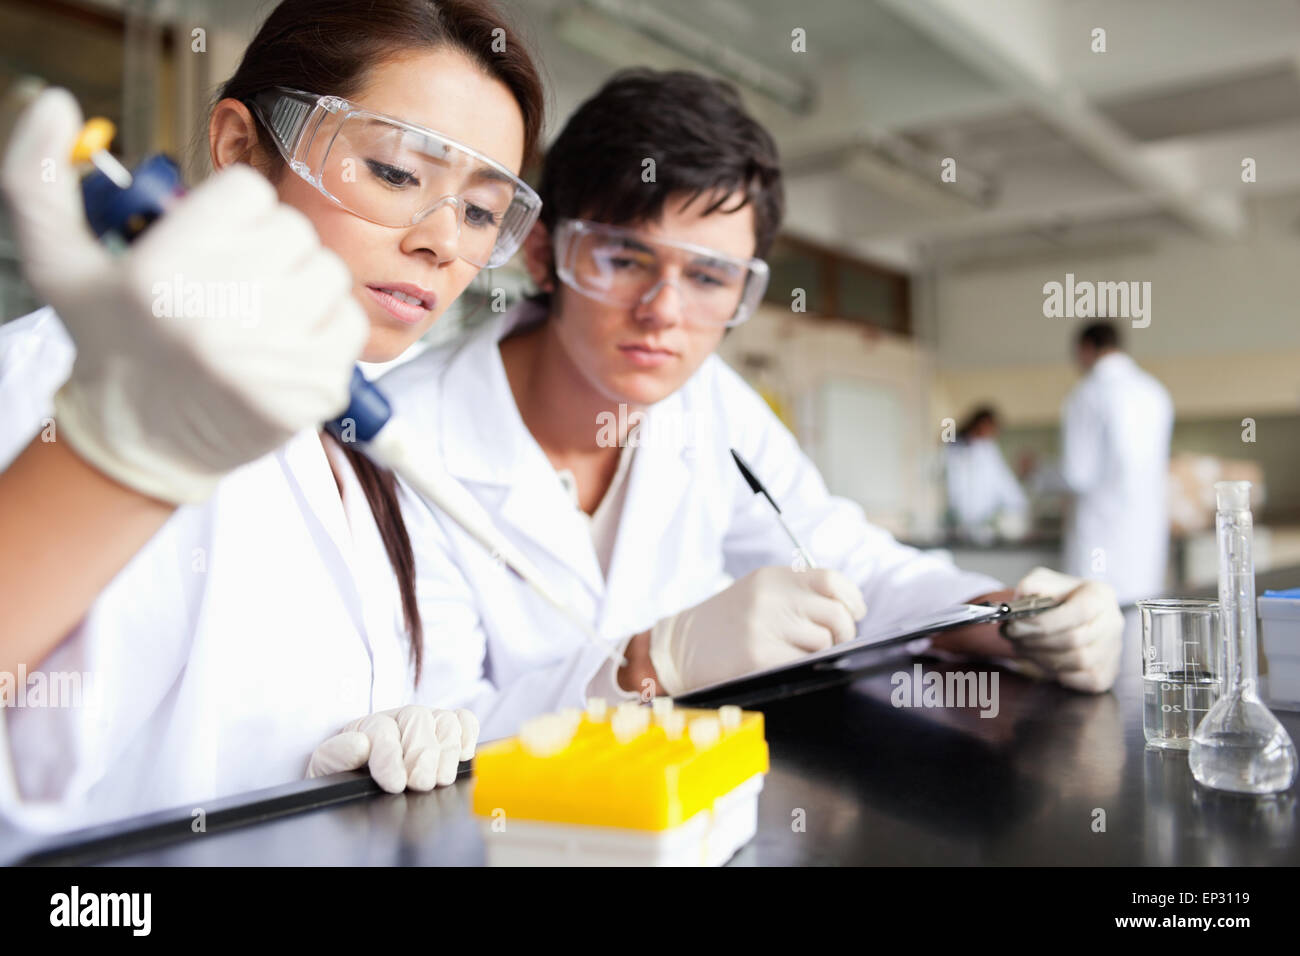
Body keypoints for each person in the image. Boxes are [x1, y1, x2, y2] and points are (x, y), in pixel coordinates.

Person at [382, 69, 1126, 744]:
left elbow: (851, 566)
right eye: (624, 258)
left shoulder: (706, 401)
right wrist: (655, 664)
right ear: (546, 254)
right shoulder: (400, 437)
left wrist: (1013, 618)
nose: (663, 312)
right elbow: (433, 737)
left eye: (710, 277)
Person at [0, 0, 543, 830]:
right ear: (240, 149)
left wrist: (356, 758)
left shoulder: (353, 432)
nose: (441, 242)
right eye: (398, 173)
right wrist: (101, 464)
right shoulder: (65, 379)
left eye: (479, 212)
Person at [1059, 321, 1174, 604]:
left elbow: (1076, 474)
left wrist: (1039, 474)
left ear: (1087, 349)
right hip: (1145, 533)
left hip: (1101, 532)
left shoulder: (1087, 394)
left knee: (1096, 624)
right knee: (1142, 622)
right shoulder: (1154, 392)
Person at [944, 405, 1029, 538]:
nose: (992, 432)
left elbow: (1004, 482)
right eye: (991, 426)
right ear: (981, 423)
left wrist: (1019, 503)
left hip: (983, 523)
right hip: (956, 522)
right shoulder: (954, 446)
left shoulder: (988, 450)